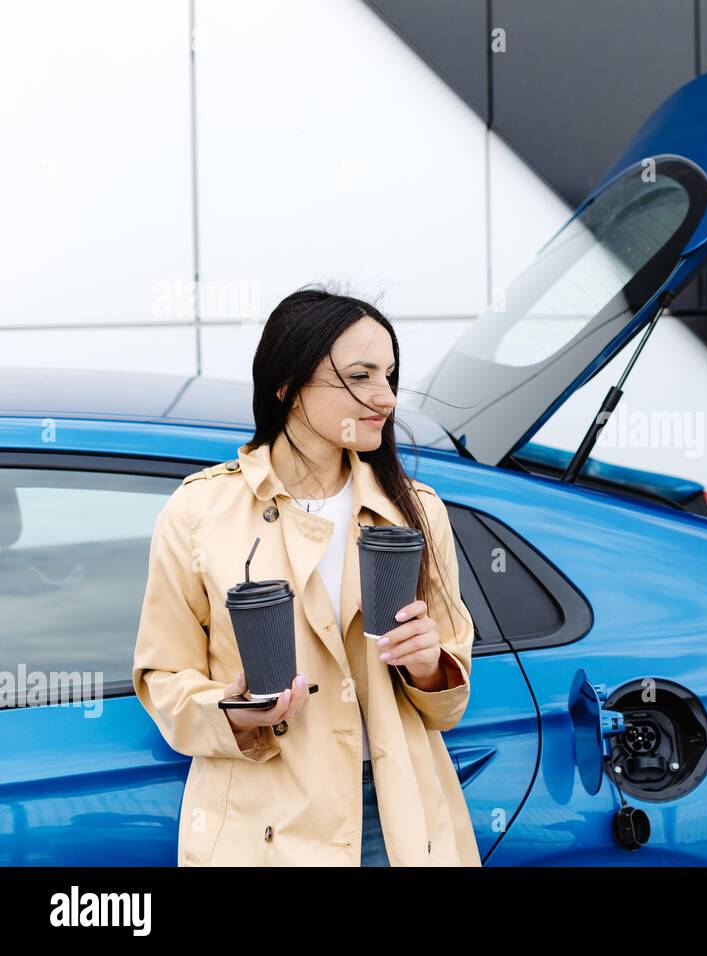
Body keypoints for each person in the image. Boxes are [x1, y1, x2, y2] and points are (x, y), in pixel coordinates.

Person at [133, 289, 480, 866]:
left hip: (392, 824)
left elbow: (447, 705)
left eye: (389, 376)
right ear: (288, 386)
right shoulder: (198, 513)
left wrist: (428, 664)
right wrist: (234, 708)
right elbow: (163, 678)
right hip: (262, 827)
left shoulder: (414, 510)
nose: (385, 397)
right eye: (360, 376)